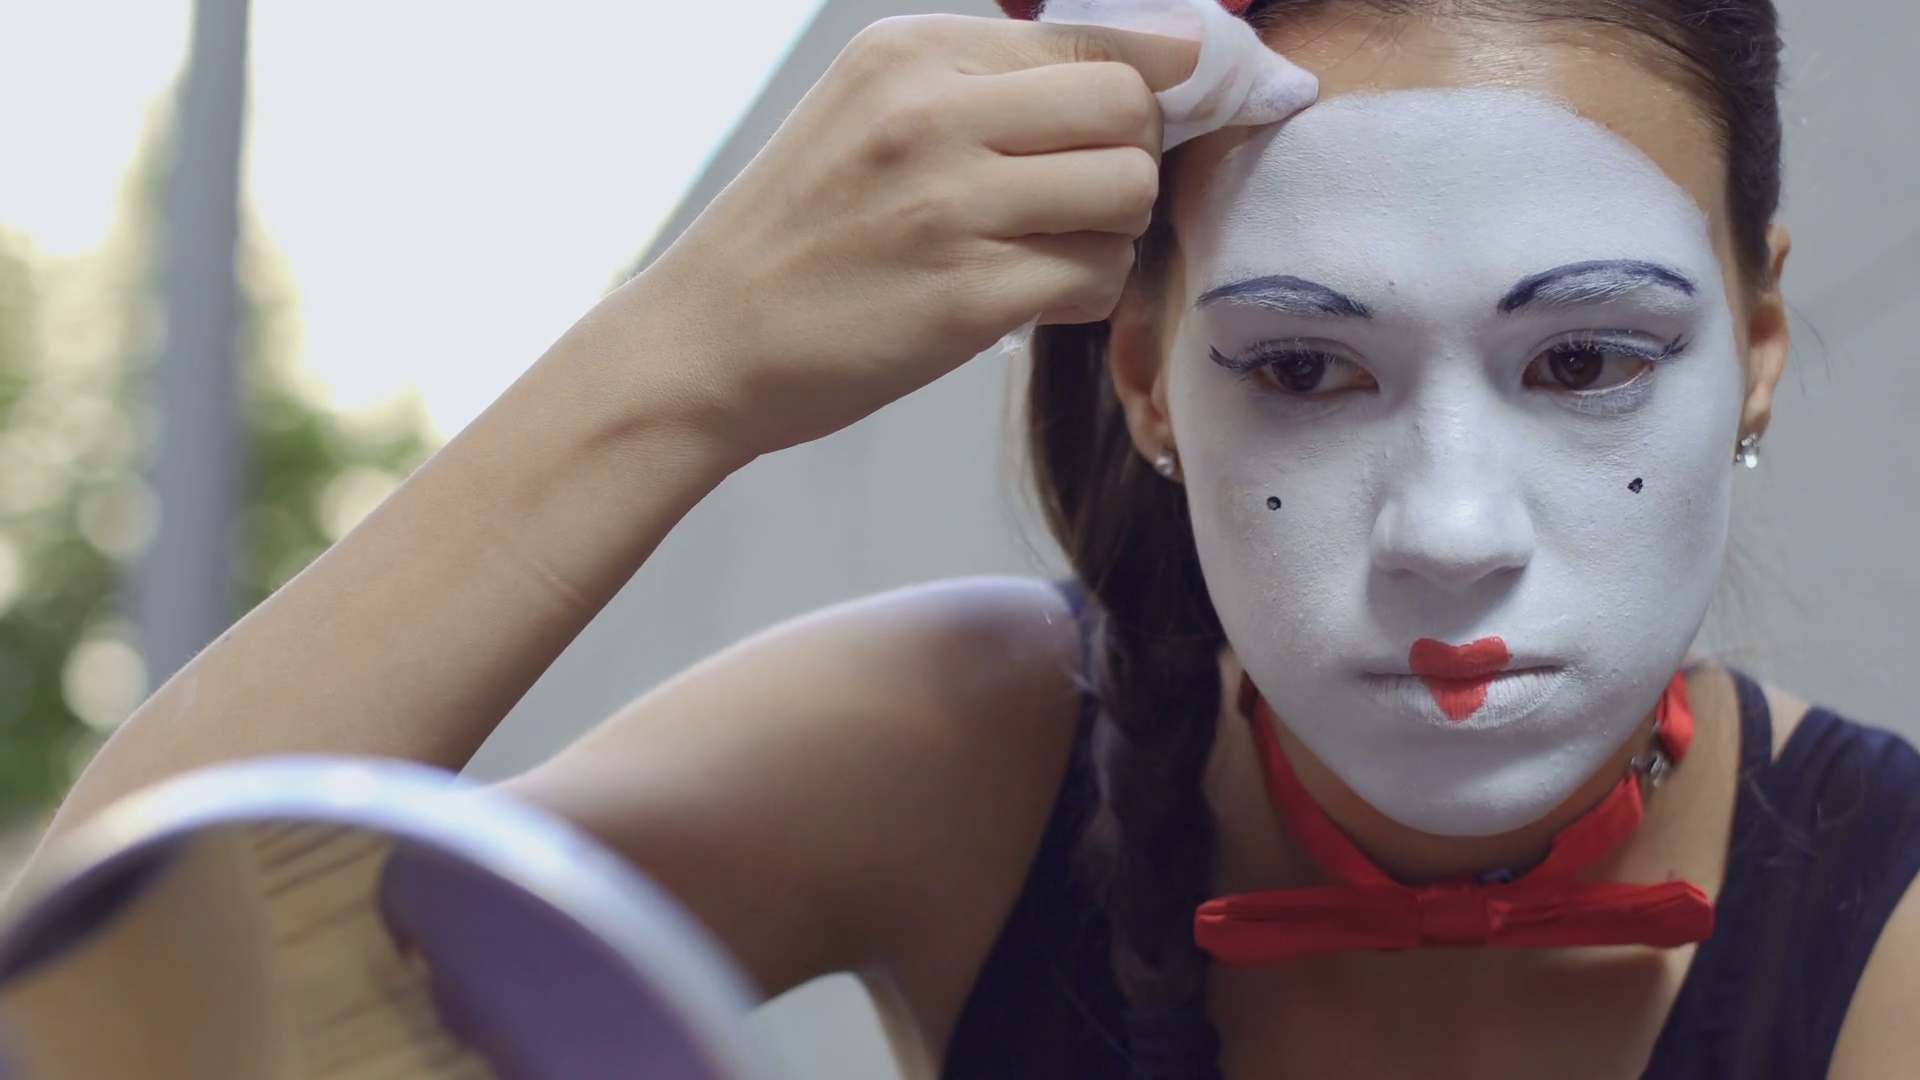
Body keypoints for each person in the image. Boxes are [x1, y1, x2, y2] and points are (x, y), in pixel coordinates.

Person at [29, 1, 1920, 1077]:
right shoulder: (971, 757)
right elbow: (94, 1017)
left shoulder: (1888, 939)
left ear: (1754, 342)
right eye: (1302, 367)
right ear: (1153, 379)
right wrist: (677, 363)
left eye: (1584, 356)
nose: (1448, 532)